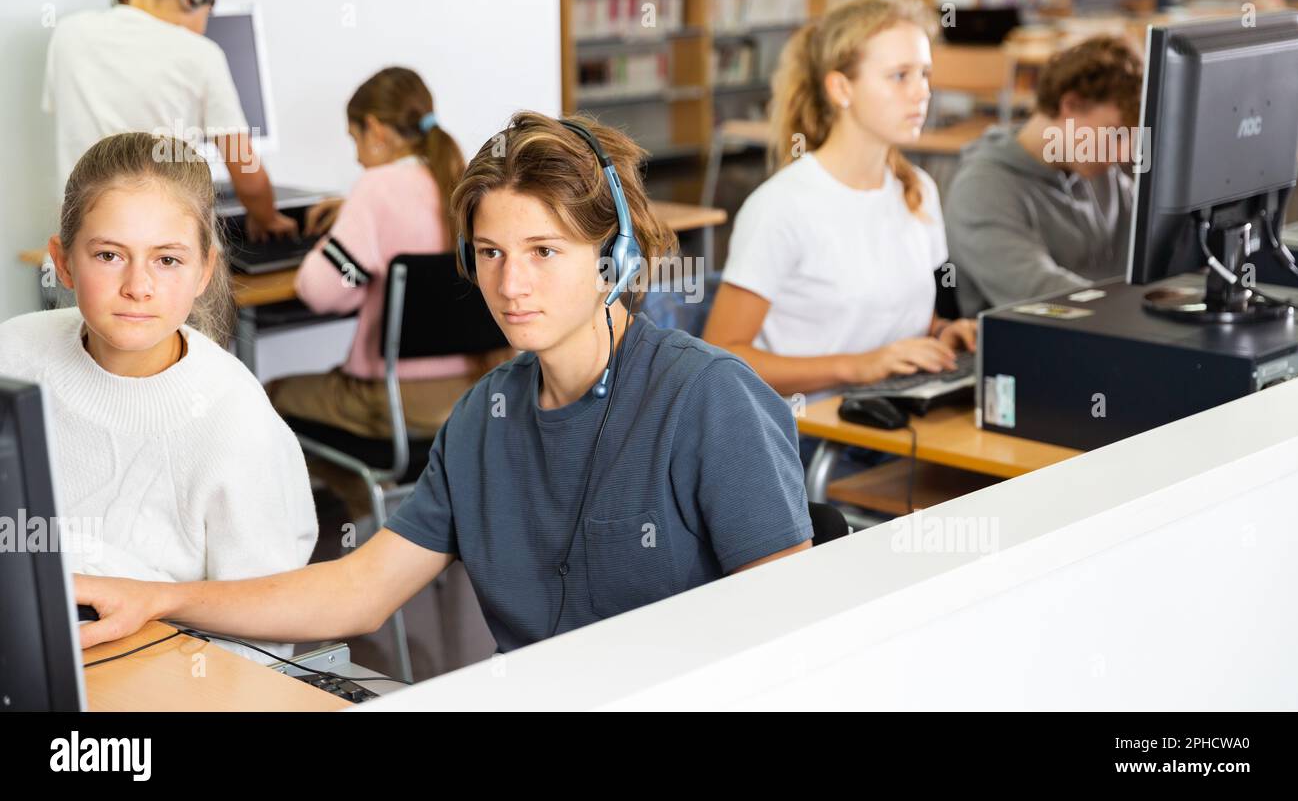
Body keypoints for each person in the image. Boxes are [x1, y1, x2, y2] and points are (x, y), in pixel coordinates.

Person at [74, 112, 813, 658]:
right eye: (489, 252)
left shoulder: (709, 398)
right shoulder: (485, 418)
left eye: (543, 251)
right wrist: (162, 598)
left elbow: (797, 632)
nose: (510, 284)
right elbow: (359, 590)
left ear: (611, 257)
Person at [0, 132, 317, 660]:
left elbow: (266, 636)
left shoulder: (235, 419)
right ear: (64, 262)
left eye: (167, 260)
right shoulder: (14, 351)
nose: (138, 286)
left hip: (164, 673)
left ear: (204, 270)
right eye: (108, 255)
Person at [702, 0, 977, 423]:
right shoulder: (781, 207)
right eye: (900, 76)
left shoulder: (918, 190)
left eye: (925, 74)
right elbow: (720, 360)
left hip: (897, 414)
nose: (922, 92)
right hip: (807, 439)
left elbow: (900, 315)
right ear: (841, 88)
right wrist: (858, 364)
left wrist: (942, 333)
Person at [266, 67, 493, 440]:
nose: (356, 158)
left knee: (271, 398)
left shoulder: (376, 188)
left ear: (375, 129)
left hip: (395, 401)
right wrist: (354, 218)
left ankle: (364, 498)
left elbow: (320, 292)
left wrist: (345, 231)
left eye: (355, 139)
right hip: (477, 392)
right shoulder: (465, 180)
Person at [42, 0, 295, 240]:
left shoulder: (68, 35)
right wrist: (266, 218)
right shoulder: (201, 54)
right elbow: (244, 168)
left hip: (86, 247)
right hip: (168, 252)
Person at [944, 35, 1143, 315]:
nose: (1124, 154)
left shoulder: (1098, 168)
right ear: (1070, 105)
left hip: (1107, 333)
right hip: (1035, 344)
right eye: (1114, 134)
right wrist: (1140, 308)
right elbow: (1045, 297)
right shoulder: (981, 190)